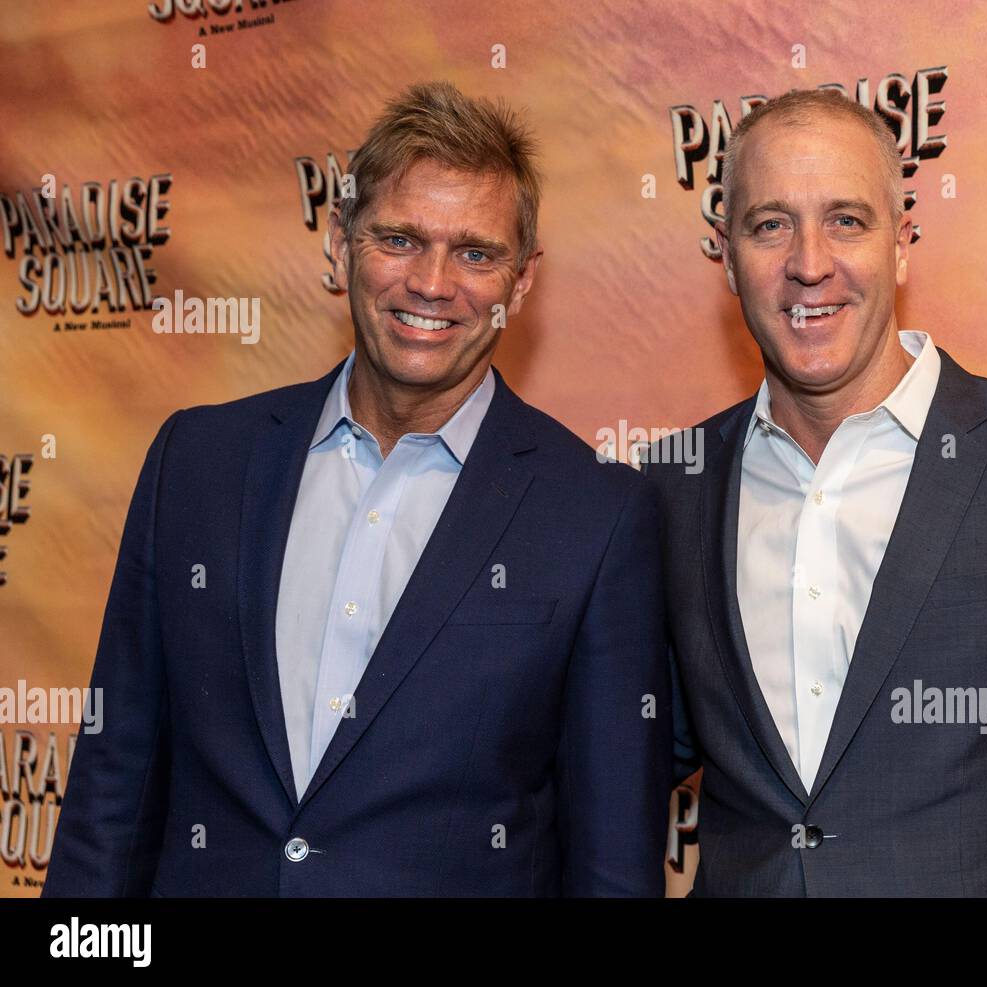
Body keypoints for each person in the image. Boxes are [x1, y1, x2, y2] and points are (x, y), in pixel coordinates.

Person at [43, 81, 672, 897]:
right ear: (339, 245)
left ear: (520, 285)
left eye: (476, 253)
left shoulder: (596, 516)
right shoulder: (195, 462)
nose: (434, 282)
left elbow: (612, 863)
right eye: (400, 239)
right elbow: (111, 792)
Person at [644, 88, 987, 896]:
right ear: (726, 256)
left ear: (902, 242)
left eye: (847, 220)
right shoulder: (672, 486)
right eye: (769, 224)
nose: (809, 262)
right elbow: (619, 761)